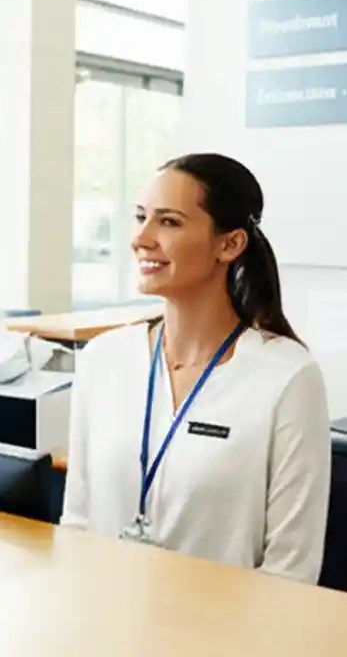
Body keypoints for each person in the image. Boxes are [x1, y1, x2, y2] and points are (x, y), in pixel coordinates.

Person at [60, 153, 330, 583]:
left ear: (230, 244)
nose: (141, 238)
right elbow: (77, 527)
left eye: (169, 222)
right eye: (140, 217)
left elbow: (291, 572)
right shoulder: (102, 360)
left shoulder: (287, 377)